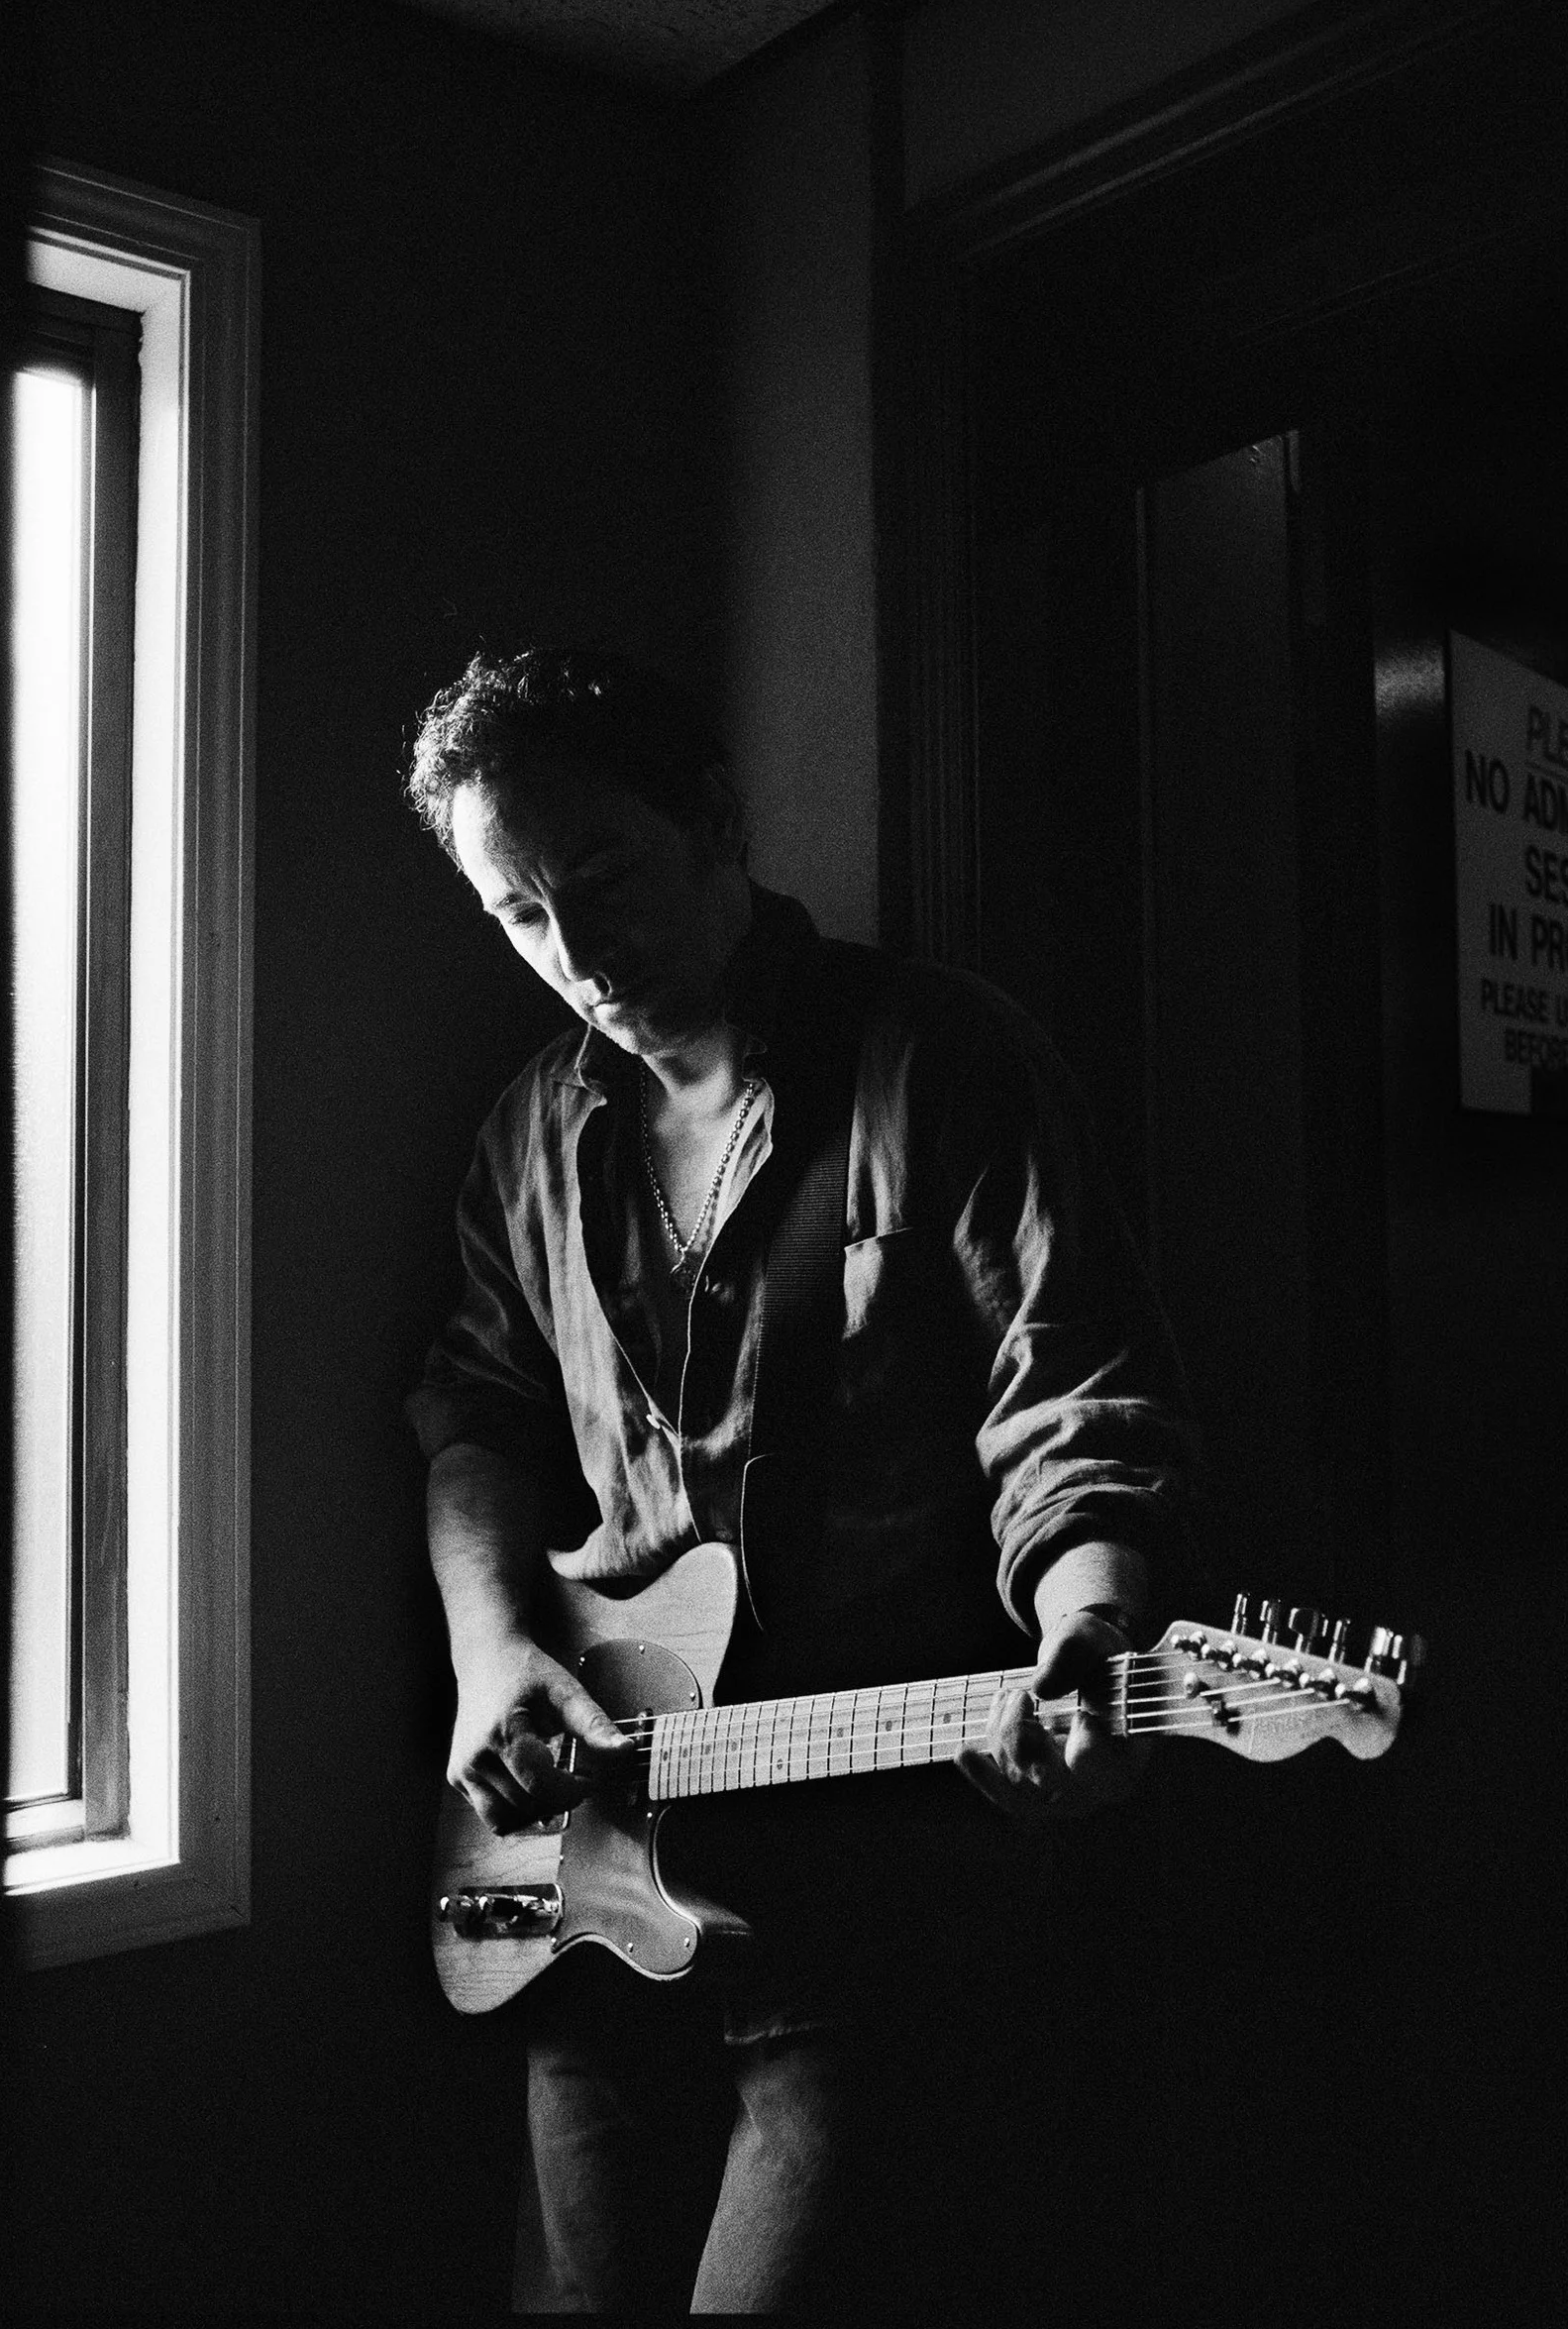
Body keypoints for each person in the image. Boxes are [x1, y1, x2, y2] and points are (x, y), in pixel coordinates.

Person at [401, 645, 1197, 2310]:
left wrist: (1097, 1621)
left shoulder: (941, 1061)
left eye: (599, 882)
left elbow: (1074, 1400)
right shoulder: (529, 1136)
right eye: (519, 916)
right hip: (596, 1886)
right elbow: (473, 1410)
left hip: (876, 1903)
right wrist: (493, 1658)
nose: (573, 950)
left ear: (713, 823)